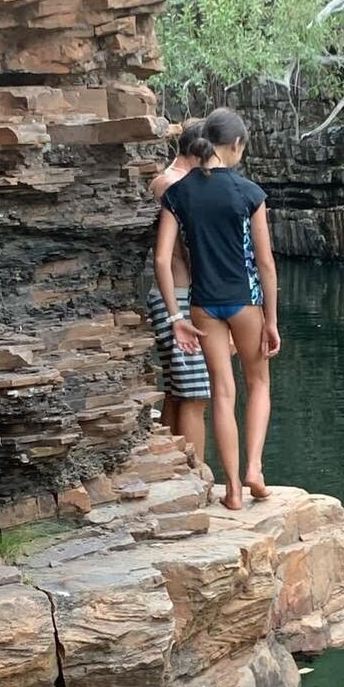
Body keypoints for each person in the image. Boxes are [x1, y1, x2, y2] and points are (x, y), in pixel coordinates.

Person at [153, 106, 280, 509]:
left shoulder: (179, 192)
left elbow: (161, 260)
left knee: (221, 393)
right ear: (236, 144)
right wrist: (272, 320)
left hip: (203, 305)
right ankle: (255, 469)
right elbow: (265, 263)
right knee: (257, 383)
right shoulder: (248, 192)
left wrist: (175, 317)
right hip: (245, 301)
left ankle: (232, 491)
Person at [145, 119, 211, 459]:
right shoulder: (174, 184)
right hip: (177, 297)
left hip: (174, 296)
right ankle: (196, 471)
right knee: (195, 393)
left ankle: (171, 465)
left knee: (176, 389)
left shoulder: (169, 181)